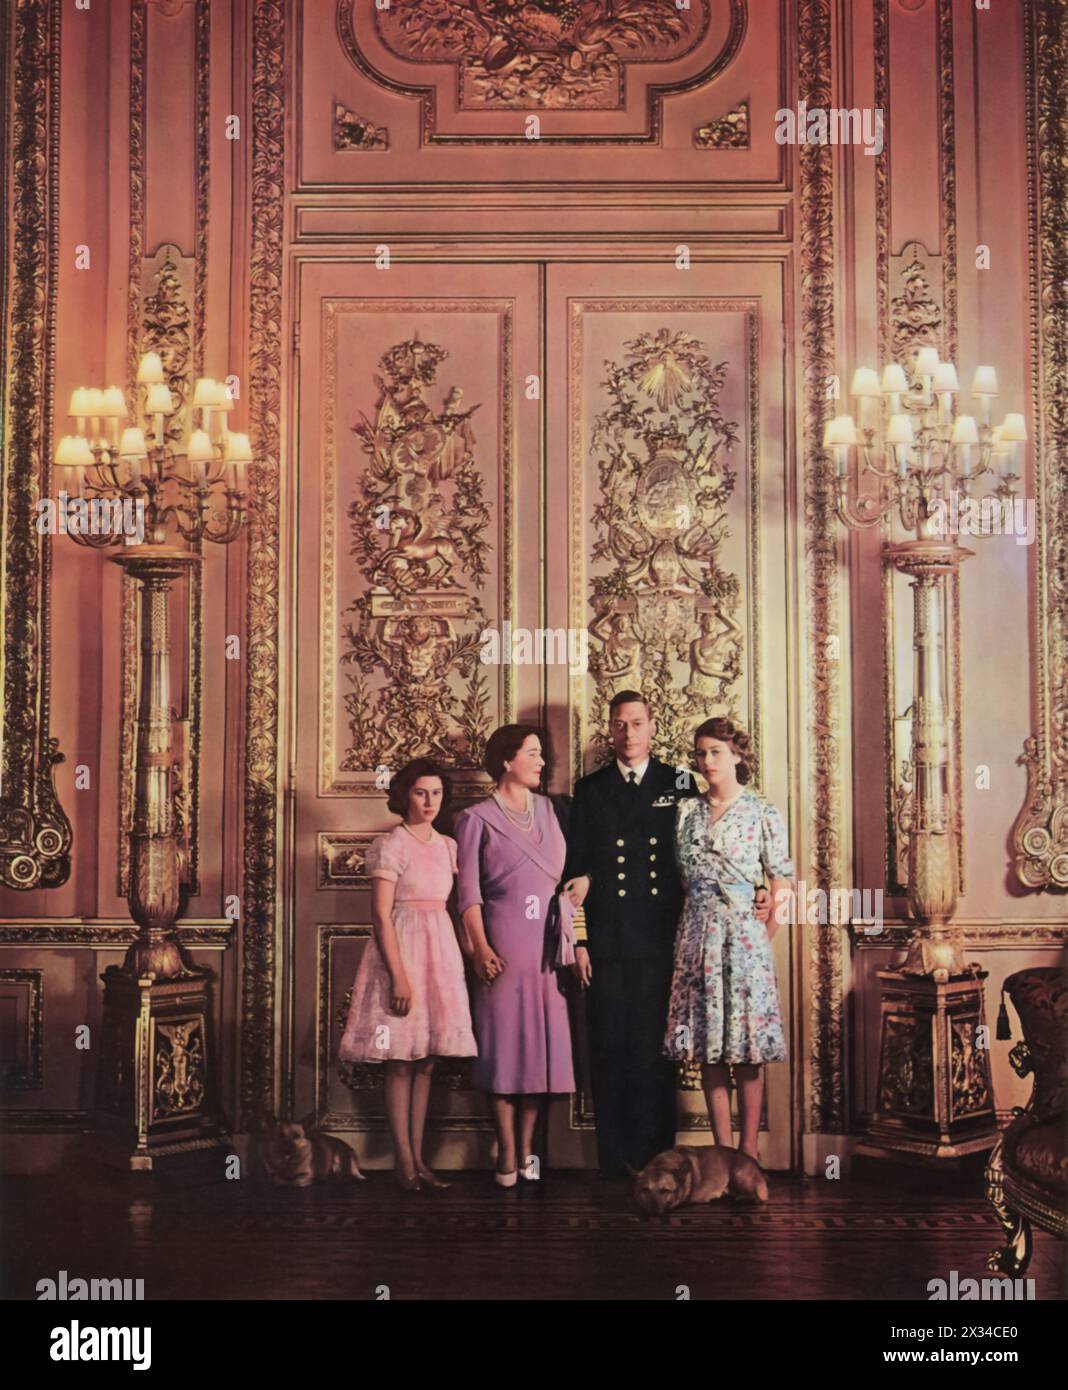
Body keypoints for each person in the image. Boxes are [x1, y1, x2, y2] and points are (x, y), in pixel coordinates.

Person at [338, 759, 477, 1191]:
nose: (430, 801)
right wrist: (399, 976)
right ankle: (403, 1161)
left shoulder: (448, 847)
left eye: (436, 793)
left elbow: (454, 909)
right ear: (405, 796)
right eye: (421, 793)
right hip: (402, 951)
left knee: (427, 1061)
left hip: (441, 952)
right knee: (400, 1061)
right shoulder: (391, 844)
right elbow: (381, 915)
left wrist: (474, 954)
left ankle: (419, 1159)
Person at [662, 717, 794, 1165]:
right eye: (700, 753)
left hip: (744, 942)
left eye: (715, 751)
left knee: (746, 1050)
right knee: (708, 1048)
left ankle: (749, 1154)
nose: (706, 761)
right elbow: (683, 880)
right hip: (697, 934)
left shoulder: (762, 811)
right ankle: (722, 1155)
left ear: (737, 754)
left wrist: (761, 933)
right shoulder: (686, 811)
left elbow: (783, 883)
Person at [454, 725, 576, 1188]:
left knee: (539, 1052)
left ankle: (526, 1149)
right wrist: (480, 949)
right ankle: (505, 1147)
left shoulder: (551, 810)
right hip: (502, 943)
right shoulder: (475, 819)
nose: (542, 762)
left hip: (549, 945)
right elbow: (467, 894)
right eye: (533, 754)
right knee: (505, 1049)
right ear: (507, 761)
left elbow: (570, 877)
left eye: (542, 754)